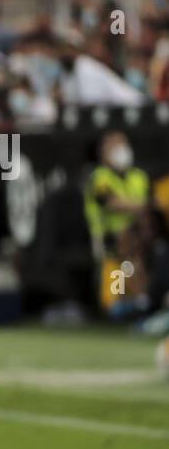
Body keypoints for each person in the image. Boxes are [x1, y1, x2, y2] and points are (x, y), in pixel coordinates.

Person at [85, 130, 150, 317]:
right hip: (108, 240)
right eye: (115, 145)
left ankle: (142, 302)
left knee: (135, 262)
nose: (121, 150)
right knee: (114, 296)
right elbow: (110, 202)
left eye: (123, 144)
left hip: (137, 238)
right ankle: (123, 306)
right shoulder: (100, 177)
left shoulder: (139, 176)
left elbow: (148, 212)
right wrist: (141, 206)